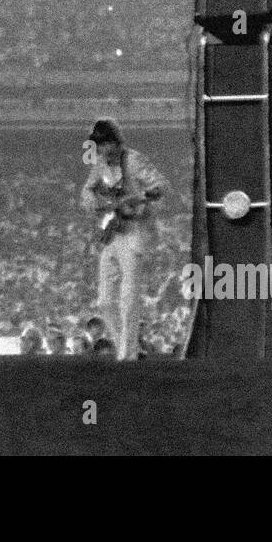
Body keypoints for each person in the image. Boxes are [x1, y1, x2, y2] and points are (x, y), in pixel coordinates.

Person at [79, 118, 166, 361]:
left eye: (104, 144)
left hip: (135, 232)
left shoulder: (134, 160)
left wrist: (142, 198)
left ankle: (127, 356)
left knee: (129, 296)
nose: (101, 150)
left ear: (115, 143)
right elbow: (87, 189)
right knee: (105, 301)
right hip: (112, 231)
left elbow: (158, 186)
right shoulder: (100, 164)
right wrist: (96, 203)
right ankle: (128, 349)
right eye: (97, 146)